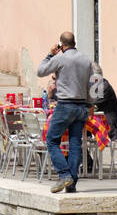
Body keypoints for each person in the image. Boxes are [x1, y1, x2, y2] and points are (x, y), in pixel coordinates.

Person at [37, 32, 92, 193]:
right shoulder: (86, 59)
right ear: (74, 42)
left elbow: (41, 71)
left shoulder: (60, 58)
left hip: (65, 105)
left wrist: (49, 55)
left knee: (52, 140)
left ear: (61, 45)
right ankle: (72, 183)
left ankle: (64, 174)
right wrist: (90, 105)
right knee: (75, 143)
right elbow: (90, 85)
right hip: (81, 106)